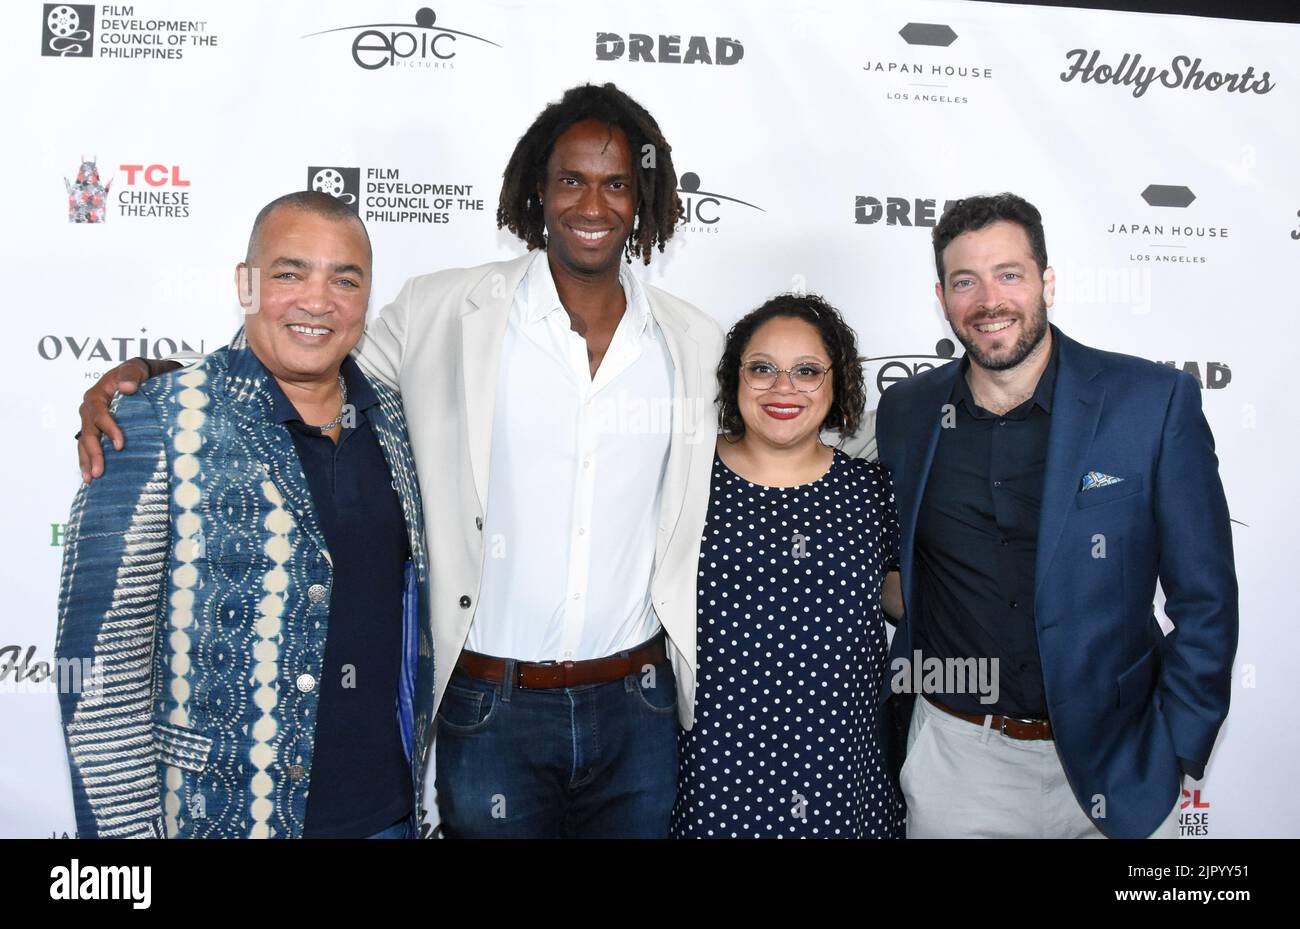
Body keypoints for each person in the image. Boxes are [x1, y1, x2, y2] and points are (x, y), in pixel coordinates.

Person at [77, 84, 723, 838]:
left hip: (637, 707)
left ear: (642, 196)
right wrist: (156, 376)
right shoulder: (443, 312)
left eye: (616, 183)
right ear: (538, 192)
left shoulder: (695, 343)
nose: (593, 203)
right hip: (490, 704)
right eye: (571, 179)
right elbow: (303, 362)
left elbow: (791, 429)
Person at [57, 191, 433, 838]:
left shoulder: (396, 423)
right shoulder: (155, 421)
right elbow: (100, 673)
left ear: (366, 298)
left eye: (344, 280)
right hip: (218, 820)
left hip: (385, 817)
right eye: (290, 274)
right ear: (247, 283)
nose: (317, 301)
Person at [875, 192, 1238, 839]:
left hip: (1116, 757)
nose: (990, 300)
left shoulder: (1149, 403)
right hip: (962, 764)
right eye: (966, 280)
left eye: (1009, 274)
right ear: (942, 295)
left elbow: (1206, 597)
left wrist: (1179, 747)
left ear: (1046, 281)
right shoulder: (908, 411)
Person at [672, 294, 904, 838]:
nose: (783, 388)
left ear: (836, 382)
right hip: (710, 786)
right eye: (762, 369)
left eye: (806, 371)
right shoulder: (684, 483)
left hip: (842, 788)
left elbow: (907, 601)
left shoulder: (872, 492)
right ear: (734, 379)